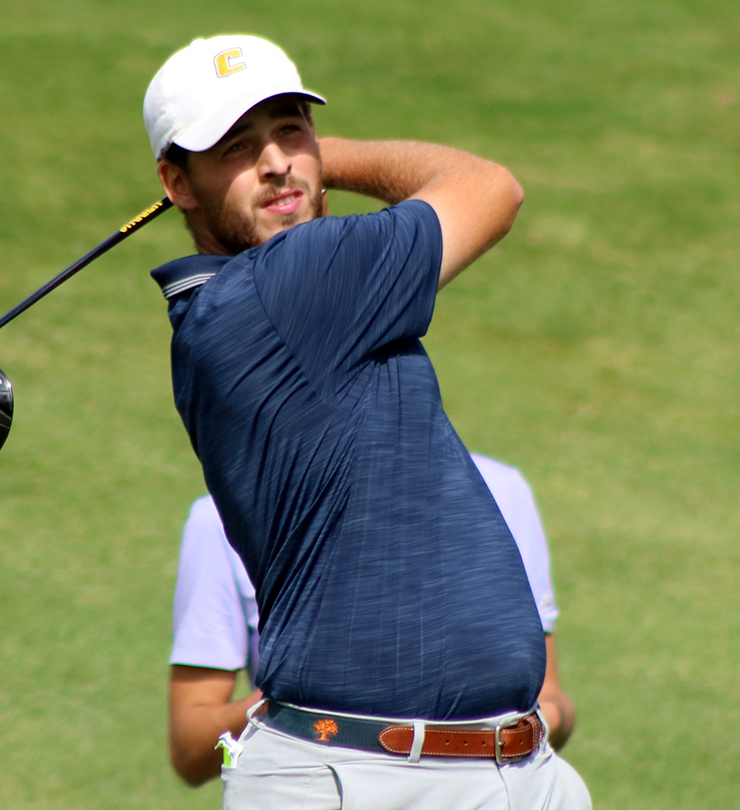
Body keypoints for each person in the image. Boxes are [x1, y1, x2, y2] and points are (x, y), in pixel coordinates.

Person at [144, 34, 589, 808]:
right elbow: (489, 187)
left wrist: (288, 160)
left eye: (291, 130)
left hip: (502, 770)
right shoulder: (291, 283)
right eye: (237, 148)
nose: (277, 162)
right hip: (368, 778)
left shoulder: (221, 310)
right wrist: (332, 157)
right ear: (176, 182)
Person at [168, 454, 577, 786]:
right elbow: (191, 750)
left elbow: (552, 701)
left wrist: (516, 732)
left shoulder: (501, 492)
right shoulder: (223, 517)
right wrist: (289, 708)